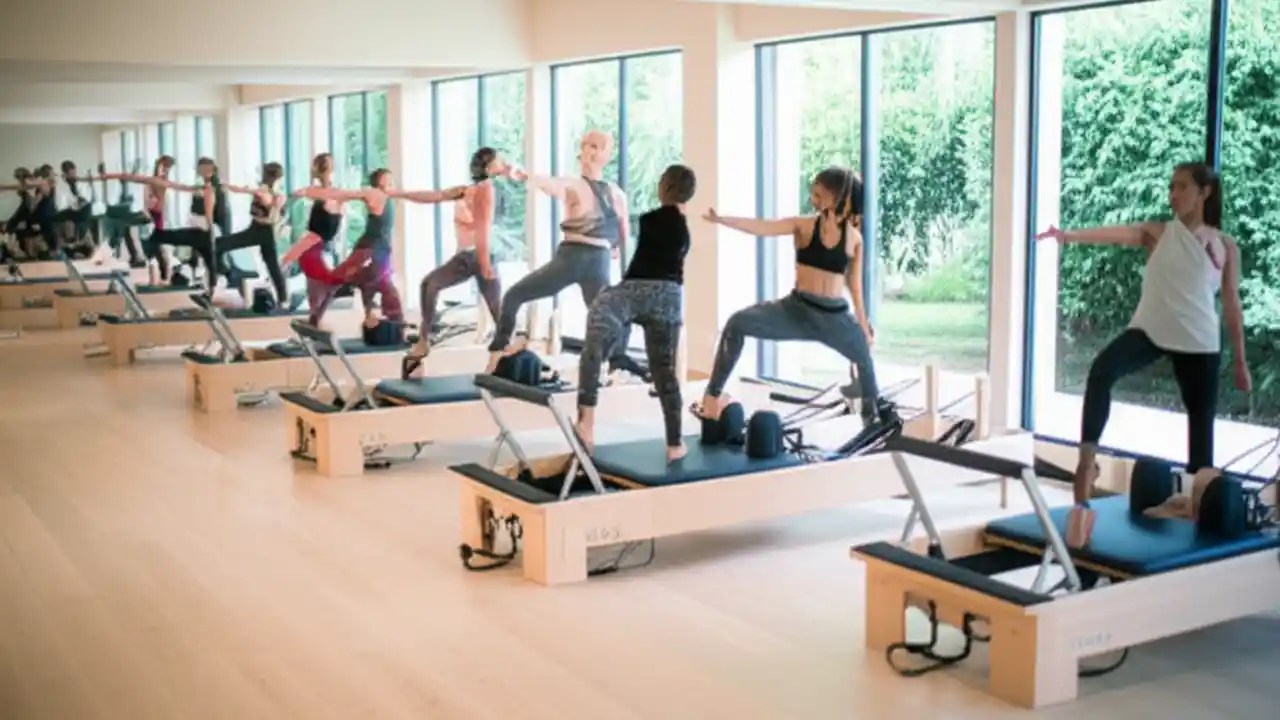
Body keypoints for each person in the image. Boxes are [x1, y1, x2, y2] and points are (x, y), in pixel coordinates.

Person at [1035, 161, 1251, 549]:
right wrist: (1066, 235)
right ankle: (1087, 460)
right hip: (1150, 328)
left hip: (1199, 340)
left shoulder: (1223, 244)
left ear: (1204, 193)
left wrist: (1240, 360)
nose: (1173, 194)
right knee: (1102, 371)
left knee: (1201, 442)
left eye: (1182, 187)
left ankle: (1200, 520)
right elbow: (1116, 234)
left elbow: (1232, 305)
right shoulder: (1159, 232)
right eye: (1171, 187)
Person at [697, 167, 897, 438]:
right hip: (795, 311)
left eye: (818, 194)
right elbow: (764, 227)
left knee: (863, 356)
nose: (812, 199)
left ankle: (871, 423)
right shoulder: (803, 225)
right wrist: (723, 220)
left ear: (836, 198)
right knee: (737, 323)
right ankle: (711, 399)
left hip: (833, 318)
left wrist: (864, 325)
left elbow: (855, 288)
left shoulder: (854, 239)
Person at [576, 164, 697, 462]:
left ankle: (586, 420)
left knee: (595, 336)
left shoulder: (652, 220)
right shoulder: (682, 227)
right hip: (667, 297)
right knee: (663, 371)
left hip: (637, 291)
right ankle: (675, 444)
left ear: (663, 187)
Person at [489, 130, 632, 373]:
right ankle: (497, 354)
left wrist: (616, 249)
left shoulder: (615, 193)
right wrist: (521, 174)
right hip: (572, 258)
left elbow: (623, 232)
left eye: (595, 146)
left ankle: (613, 365)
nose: (589, 150)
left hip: (596, 261)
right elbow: (547, 183)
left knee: (615, 317)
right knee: (514, 296)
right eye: (585, 145)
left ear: (607, 155)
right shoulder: (573, 185)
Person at [291, 168, 464, 333]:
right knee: (350, 282)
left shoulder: (388, 194)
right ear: (379, 182)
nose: (392, 183)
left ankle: (390, 324)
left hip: (380, 250)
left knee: (378, 287)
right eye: (388, 180)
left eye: (391, 181)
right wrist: (309, 192)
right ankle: (319, 318)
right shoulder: (372, 193)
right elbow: (340, 194)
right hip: (370, 250)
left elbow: (417, 195)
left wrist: (446, 195)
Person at [401, 147, 509, 379]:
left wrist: (484, 261)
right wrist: (399, 194)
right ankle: (423, 341)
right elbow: (433, 196)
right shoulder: (466, 190)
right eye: (499, 160)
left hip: (483, 255)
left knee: (497, 312)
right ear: (488, 167)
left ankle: (502, 357)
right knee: (429, 284)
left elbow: (483, 227)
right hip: (465, 257)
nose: (503, 163)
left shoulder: (487, 189)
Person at [281, 153, 346, 326]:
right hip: (313, 247)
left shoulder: (329, 195)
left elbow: (297, 194)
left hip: (314, 246)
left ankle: (314, 319)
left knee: (321, 286)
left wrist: (288, 259)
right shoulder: (329, 195)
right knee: (319, 287)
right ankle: (314, 320)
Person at [218, 162, 288, 302]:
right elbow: (241, 190)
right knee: (272, 265)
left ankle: (230, 275)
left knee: (218, 244)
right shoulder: (263, 191)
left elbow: (274, 218)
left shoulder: (275, 195)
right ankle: (283, 298)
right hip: (258, 229)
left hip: (262, 232)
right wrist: (225, 185)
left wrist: (272, 206)